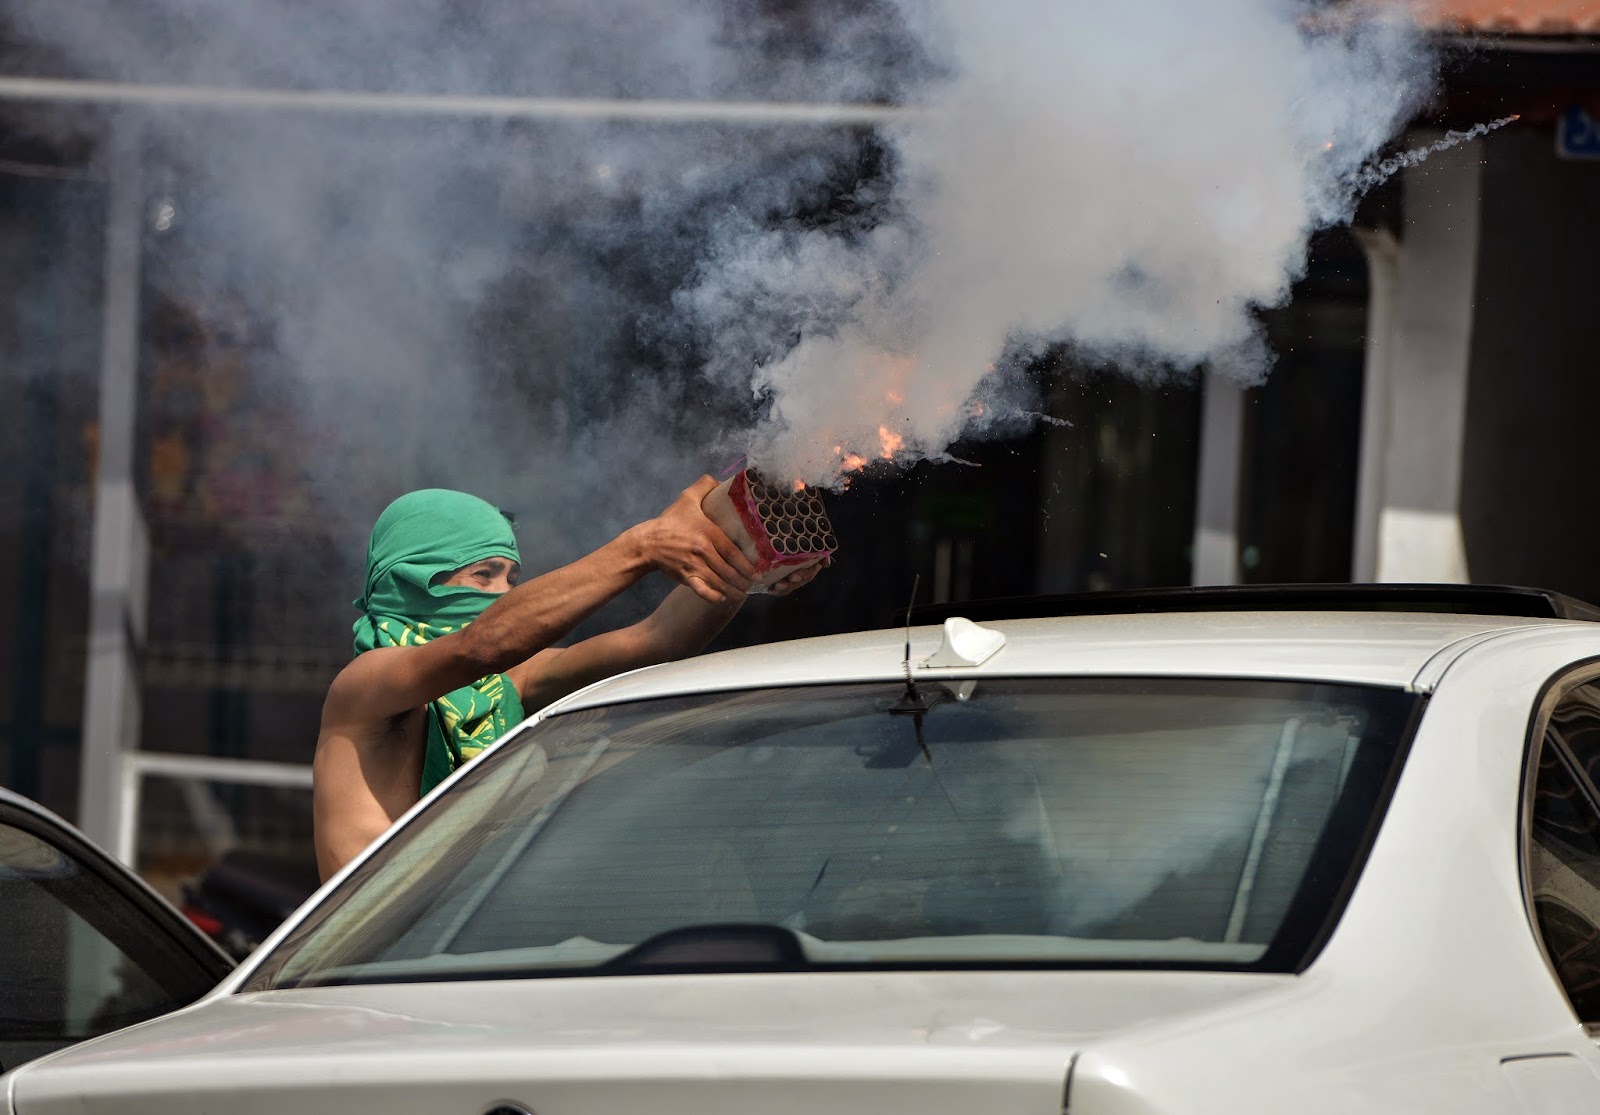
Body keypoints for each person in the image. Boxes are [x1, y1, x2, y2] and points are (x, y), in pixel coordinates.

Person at [312, 476, 822, 879]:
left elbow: (657, 640)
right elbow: (483, 645)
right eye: (482, 575)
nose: (502, 593)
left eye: (511, 577)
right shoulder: (364, 686)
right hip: (364, 971)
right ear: (411, 577)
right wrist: (641, 547)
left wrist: (741, 561)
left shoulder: (508, 681)